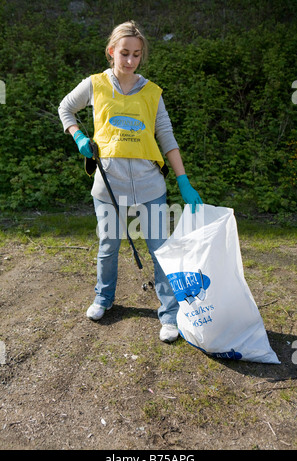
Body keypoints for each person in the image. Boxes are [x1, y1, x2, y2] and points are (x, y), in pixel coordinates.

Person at [58, 20, 202, 343]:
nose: (130, 61)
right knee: (108, 246)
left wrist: (183, 180)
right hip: (108, 185)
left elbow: (166, 137)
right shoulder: (95, 85)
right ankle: (104, 298)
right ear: (111, 52)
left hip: (150, 185)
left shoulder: (151, 93)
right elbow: (65, 107)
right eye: (124, 53)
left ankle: (169, 314)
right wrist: (78, 134)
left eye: (136, 55)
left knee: (159, 249)